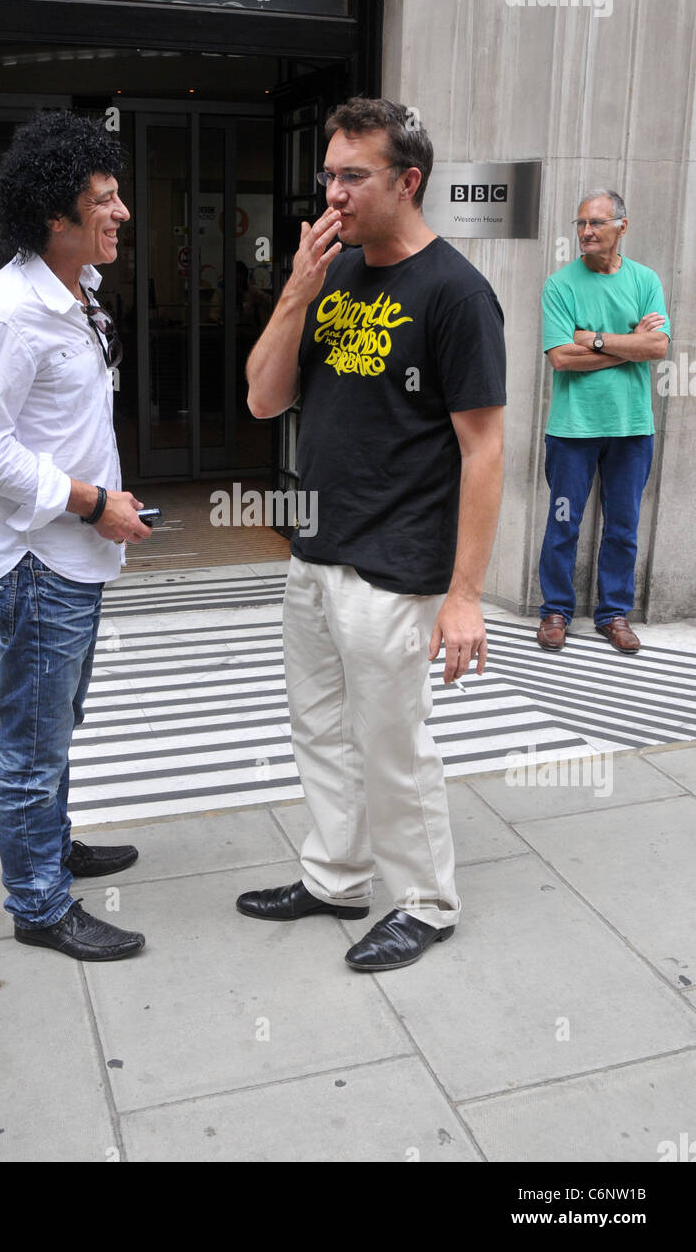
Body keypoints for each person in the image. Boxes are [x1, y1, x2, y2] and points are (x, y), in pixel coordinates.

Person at [237, 97, 506, 972]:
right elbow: (263, 398)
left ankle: (426, 903)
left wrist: (463, 596)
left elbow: (484, 449)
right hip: (314, 552)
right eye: (328, 175)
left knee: (392, 745)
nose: (332, 194)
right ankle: (335, 877)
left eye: (353, 176)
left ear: (408, 180)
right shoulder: (333, 275)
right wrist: (294, 292)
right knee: (317, 730)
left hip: (397, 568)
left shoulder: (456, 293)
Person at [0, 111, 153, 961]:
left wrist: (105, 501)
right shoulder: (8, 315)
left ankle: (50, 843)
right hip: (38, 560)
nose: (121, 213)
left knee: (56, 721)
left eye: (116, 196)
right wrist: (89, 499)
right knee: (33, 742)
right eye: (102, 201)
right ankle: (38, 902)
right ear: (53, 219)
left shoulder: (75, 296)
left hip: (73, 552)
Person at [537, 191, 670, 654]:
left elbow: (656, 349)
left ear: (622, 227)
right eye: (580, 224)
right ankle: (555, 610)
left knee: (623, 526)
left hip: (632, 428)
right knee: (563, 522)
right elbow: (560, 359)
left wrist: (592, 340)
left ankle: (614, 614)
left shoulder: (646, 280)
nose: (585, 232)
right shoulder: (559, 285)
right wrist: (626, 343)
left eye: (595, 223)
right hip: (572, 429)